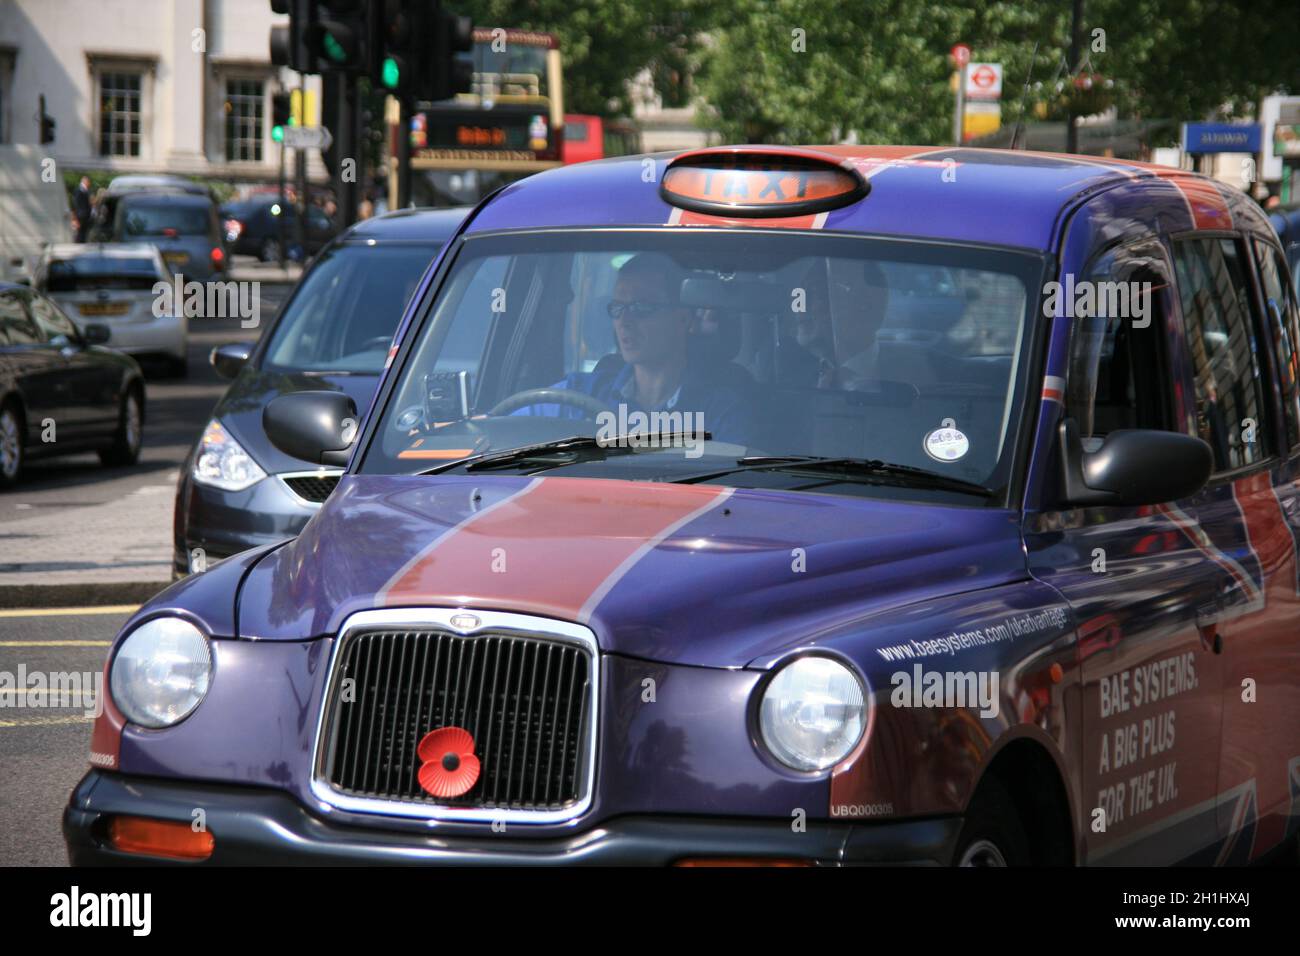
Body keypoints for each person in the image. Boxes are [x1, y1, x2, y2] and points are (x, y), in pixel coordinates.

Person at [517, 253, 755, 445]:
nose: (624, 321)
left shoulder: (720, 410)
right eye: (618, 308)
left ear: (683, 319)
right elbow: (504, 432)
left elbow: (735, 489)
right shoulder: (579, 394)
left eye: (641, 307)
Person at [72, 176, 93, 243]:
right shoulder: (79, 190)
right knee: (80, 232)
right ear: (85, 182)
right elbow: (76, 204)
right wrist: (75, 217)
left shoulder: (85, 190)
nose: (89, 184)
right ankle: (79, 244)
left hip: (85, 215)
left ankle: (82, 243)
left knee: (84, 232)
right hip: (81, 215)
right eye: (88, 182)